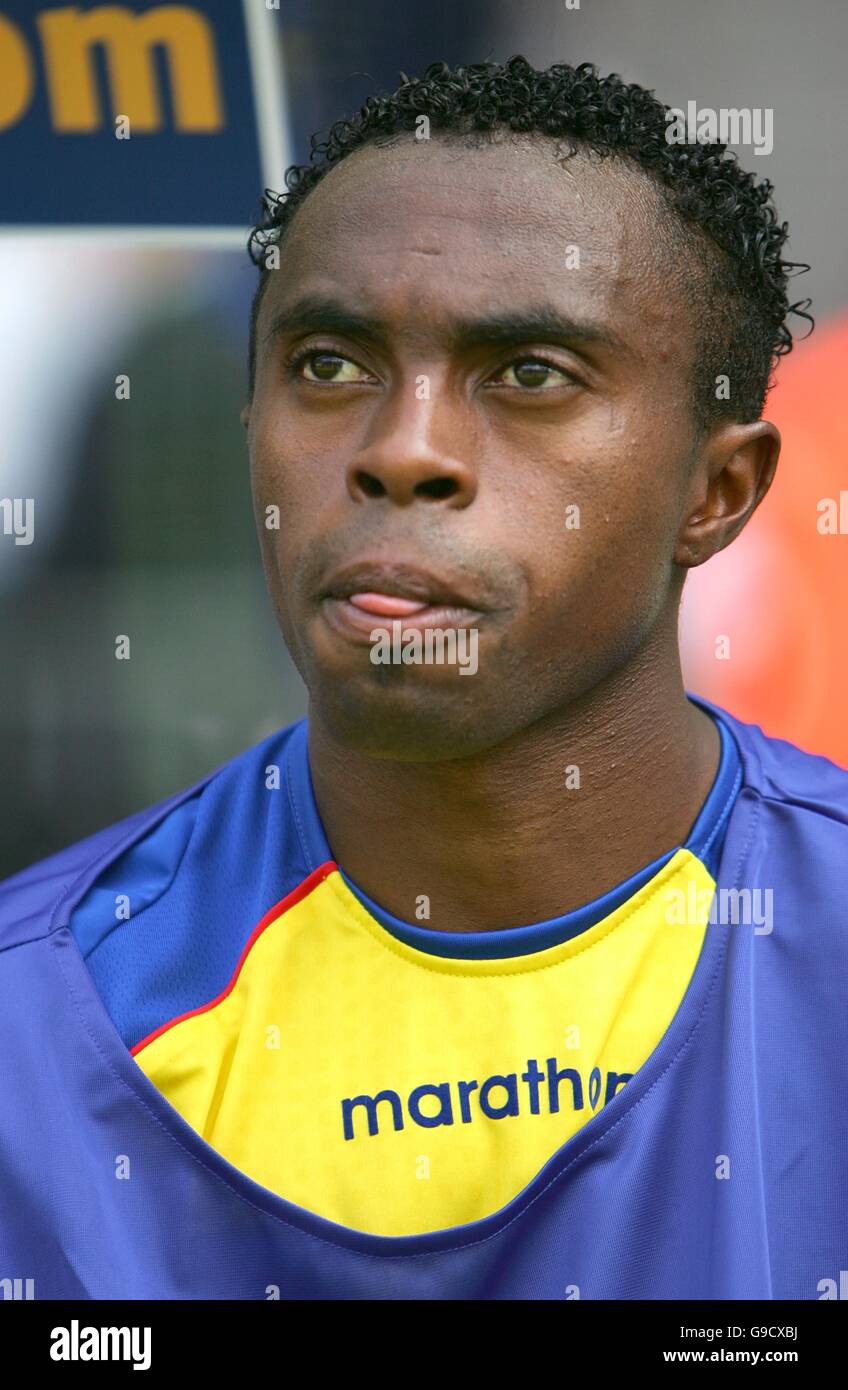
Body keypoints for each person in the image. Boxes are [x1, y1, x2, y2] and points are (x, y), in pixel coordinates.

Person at [1, 57, 844, 1301]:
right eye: (330, 366)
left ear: (715, 495)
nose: (402, 451)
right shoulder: (36, 1027)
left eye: (529, 373)